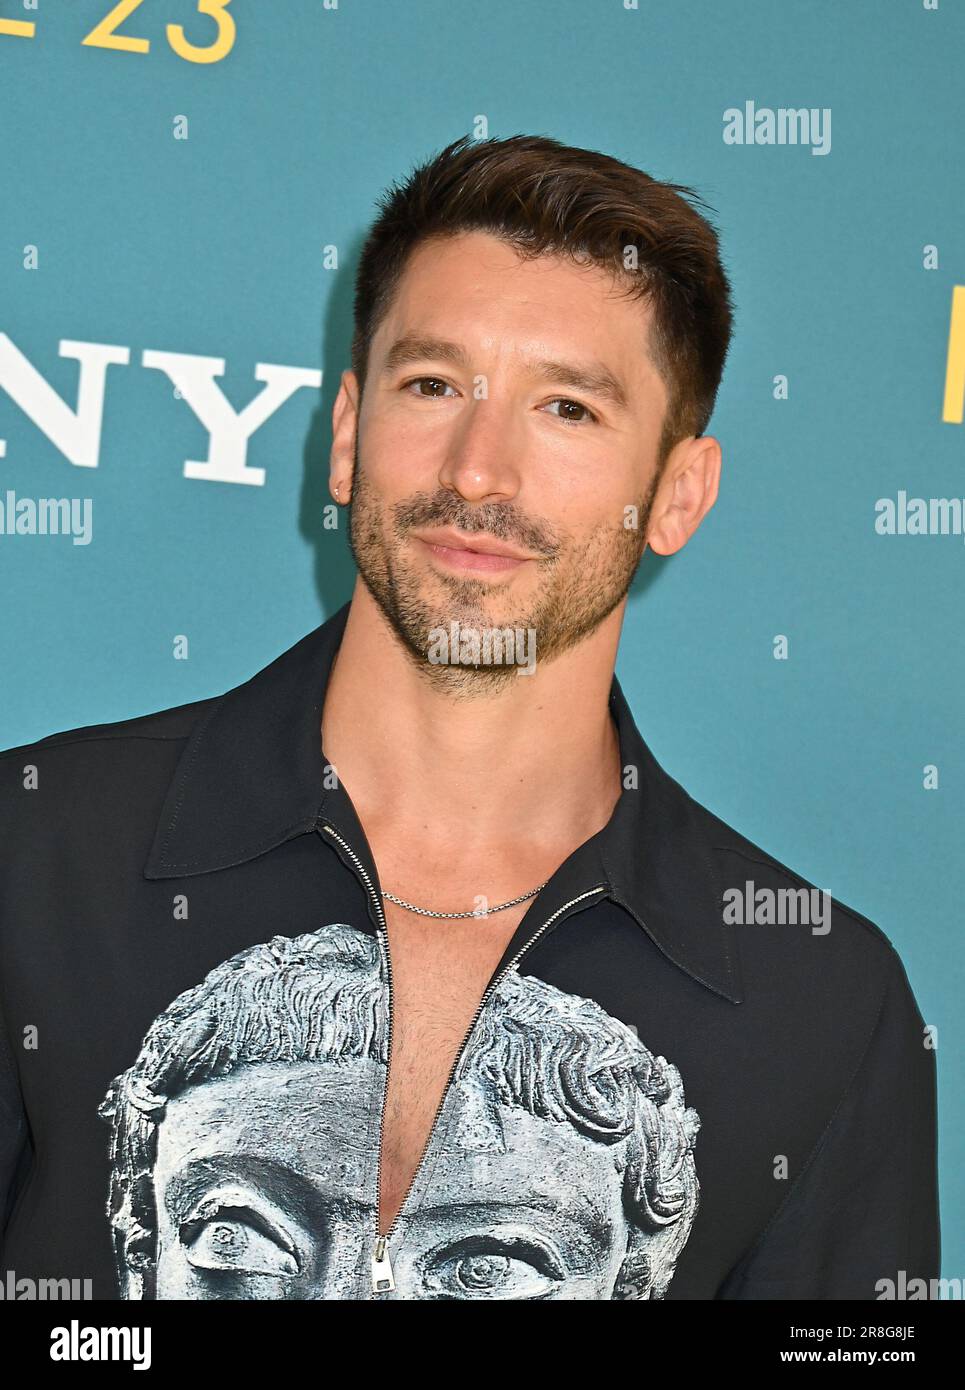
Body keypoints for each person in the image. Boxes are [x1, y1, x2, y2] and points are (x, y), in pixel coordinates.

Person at [0, 134, 940, 1300]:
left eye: (567, 408)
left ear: (677, 494)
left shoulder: (820, 1000)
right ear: (345, 435)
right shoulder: (33, 852)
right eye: (434, 385)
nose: (480, 471)